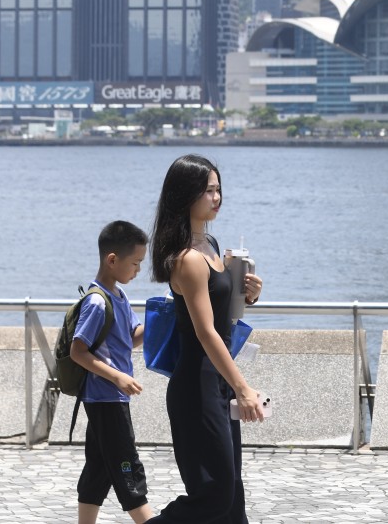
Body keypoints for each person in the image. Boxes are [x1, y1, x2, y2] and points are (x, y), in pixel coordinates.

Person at [148, 154, 264, 523]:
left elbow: (222, 313)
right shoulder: (188, 259)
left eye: (218, 189)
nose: (217, 197)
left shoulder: (210, 245)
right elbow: (205, 331)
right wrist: (243, 388)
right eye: (208, 191)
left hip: (217, 380)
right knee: (214, 495)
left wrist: (249, 294)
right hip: (197, 386)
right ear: (185, 195)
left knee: (232, 497)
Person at [72, 220, 153, 524]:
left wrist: (163, 320)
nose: (138, 270)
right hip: (106, 397)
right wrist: (117, 376)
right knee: (127, 468)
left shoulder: (119, 295)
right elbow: (78, 351)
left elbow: (131, 338)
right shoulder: (97, 301)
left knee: (98, 469)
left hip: (108, 398)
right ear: (112, 260)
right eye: (135, 263)